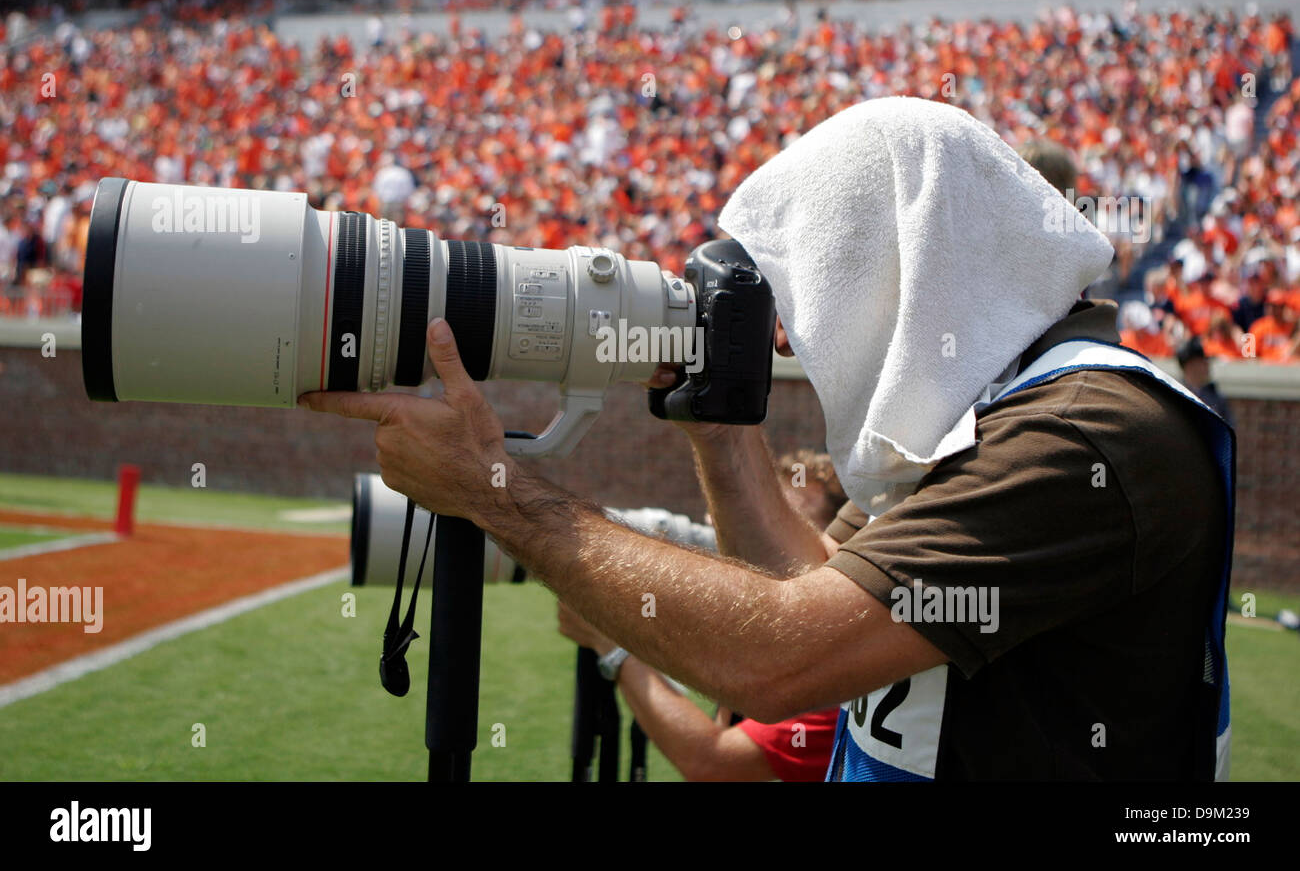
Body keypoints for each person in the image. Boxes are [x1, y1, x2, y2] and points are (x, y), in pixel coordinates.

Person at [303, 98, 1235, 780]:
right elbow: (815, 586)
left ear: (895, 269)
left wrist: (493, 490)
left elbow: (782, 659)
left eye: (810, 298)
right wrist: (720, 429)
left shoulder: (1082, 439)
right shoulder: (996, 407)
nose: (792, 335)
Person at [556, 451, 848, 782]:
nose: (754, 544)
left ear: (833, 547)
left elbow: (715, 764)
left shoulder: (840, 662)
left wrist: (613, 647)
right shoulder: (774, 636)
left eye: (785, 528)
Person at [1176, 338, 1234, 426]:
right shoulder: (1176, 394)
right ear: (1190, 365)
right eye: (1202, 360)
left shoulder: (1215, 397)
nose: (1207, 364)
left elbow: (1229, 428)